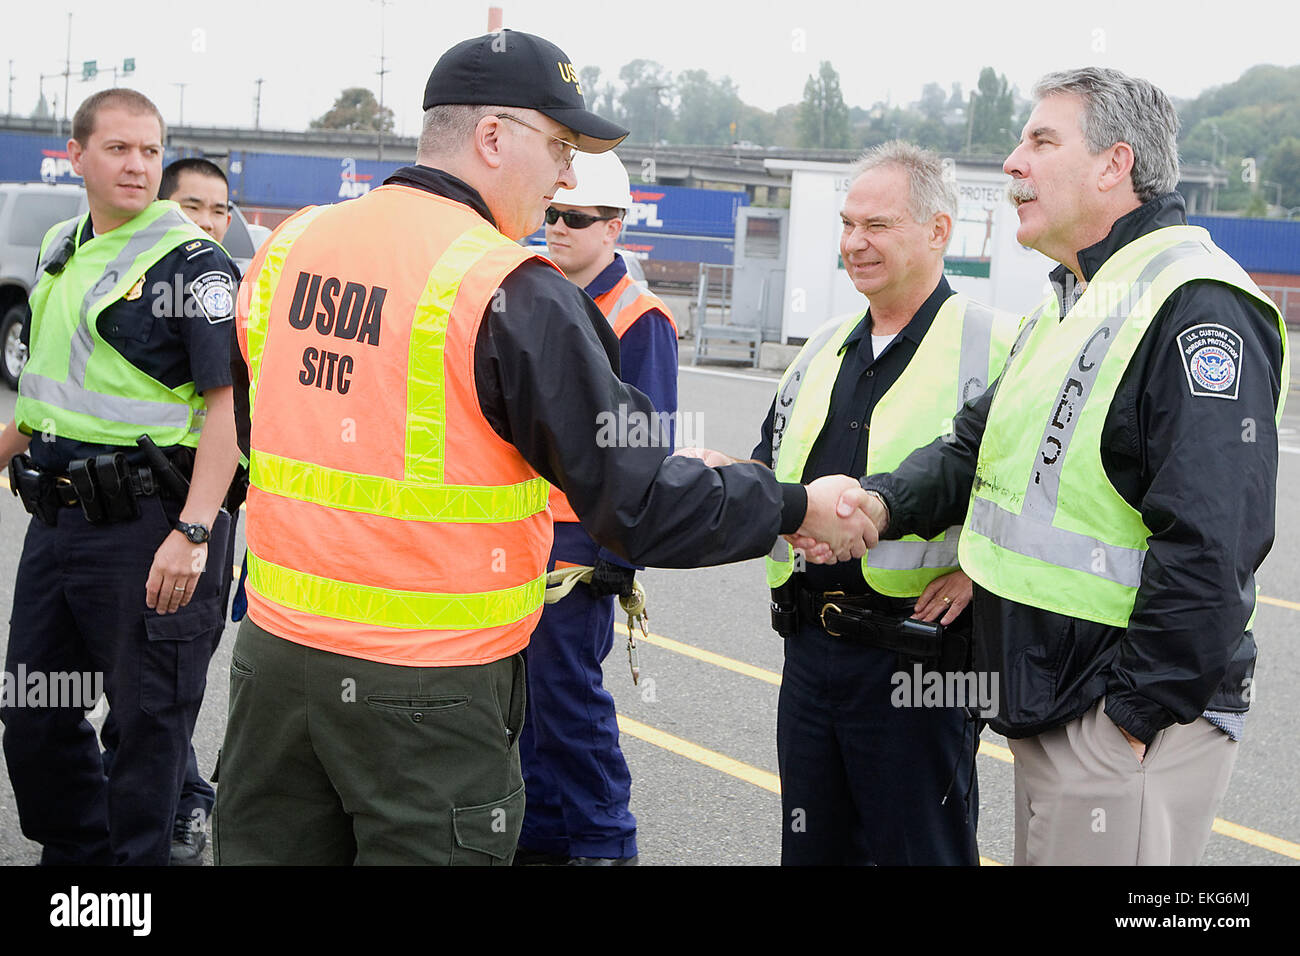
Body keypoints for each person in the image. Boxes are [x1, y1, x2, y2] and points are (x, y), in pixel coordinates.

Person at [213, 29, 874, 866]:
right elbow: (638, 501)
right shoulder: (506, 286)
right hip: (426, 684)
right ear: (492, 137)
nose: (567, 176)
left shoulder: (288, 249)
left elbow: (260, 429)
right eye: (560, 146)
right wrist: (793, 504)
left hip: (276, 660)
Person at [847, 68, 1288, 865]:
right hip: (1059, 707)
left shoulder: (1195, 304)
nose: (1013, 163)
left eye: (1041, 140)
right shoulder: (1077, 300)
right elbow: (971, 449)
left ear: (1114, 165)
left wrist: (1132, 719)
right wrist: (874, 505)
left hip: (1119, 724)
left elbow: (1213, 545)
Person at [681, 142, 1017, 865]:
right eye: (847, 224)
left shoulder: (1000, 346)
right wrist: (730, 473)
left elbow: (1032, 493)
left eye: (878, 225)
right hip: (810, 651)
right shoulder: (823, 347)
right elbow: (777, 467)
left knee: (919, 852)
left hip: (921, 659)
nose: (854, 243)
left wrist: (978, 574)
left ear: (937, 231)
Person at [0, 89, 240, 866]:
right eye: (119, 149)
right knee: (35, 715)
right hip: (59, 521)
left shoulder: (194, 263)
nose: (138, 165)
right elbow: (45, 400)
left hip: (152, 527)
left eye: (149, 150)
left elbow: (226, 423)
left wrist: (194, 533)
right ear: (77, 156)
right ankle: (79, 860)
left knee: (145, 732)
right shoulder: (62, 248)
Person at [515, 150, 678, 866]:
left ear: (614, 228)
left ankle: (605, 844)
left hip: (579, 544)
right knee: (523, 706)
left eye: (575, 220)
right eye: (551, 214)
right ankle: (541, 841)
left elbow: (646, 452)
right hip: (519, 530)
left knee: (569, 702)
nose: (556, 227)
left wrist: (617, 558)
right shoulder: (535, 294)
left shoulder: (639, 318)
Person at [98, 155, 239, 865]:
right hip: (130, 513)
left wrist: (201, 524)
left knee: (169, 678)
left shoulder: (221, 287)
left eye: (221, 211)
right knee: (138, 680)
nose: (209, 223)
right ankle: (141, 794)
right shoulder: (131, 275)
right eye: (194, 206)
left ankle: (183, 803)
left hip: (202, 511)